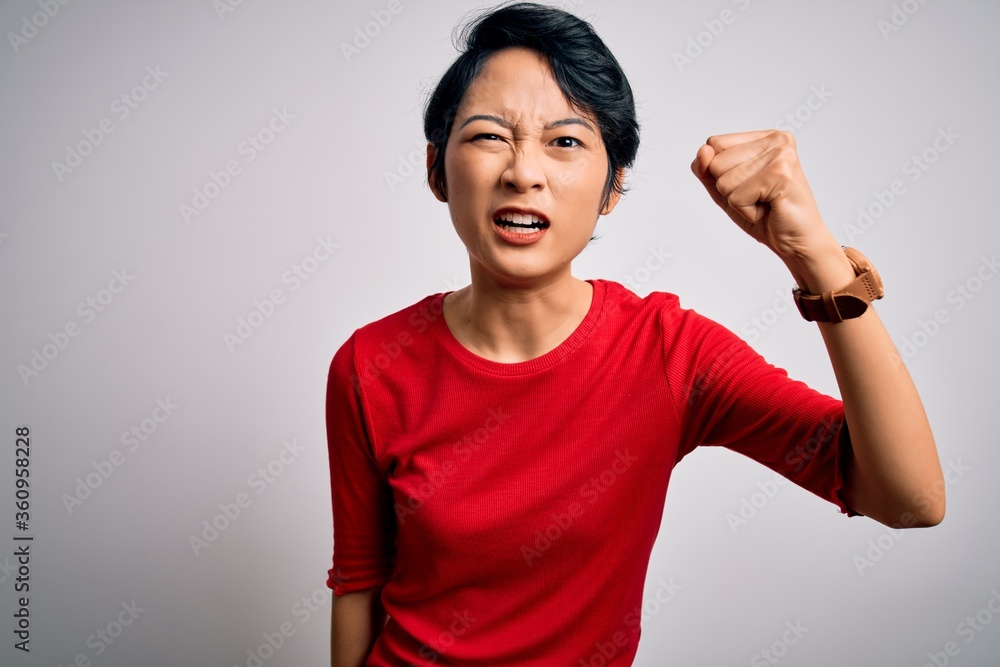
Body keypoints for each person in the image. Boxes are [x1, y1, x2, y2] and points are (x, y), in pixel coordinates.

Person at [327, 2, 944, 665]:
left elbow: (908, 497)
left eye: (565, 141)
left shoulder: (668, 353)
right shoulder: (370, 363)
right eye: (488, 136)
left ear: (614, 185)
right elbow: (359, 586)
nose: (523, 172)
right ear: (436, 169)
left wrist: (814, 253)